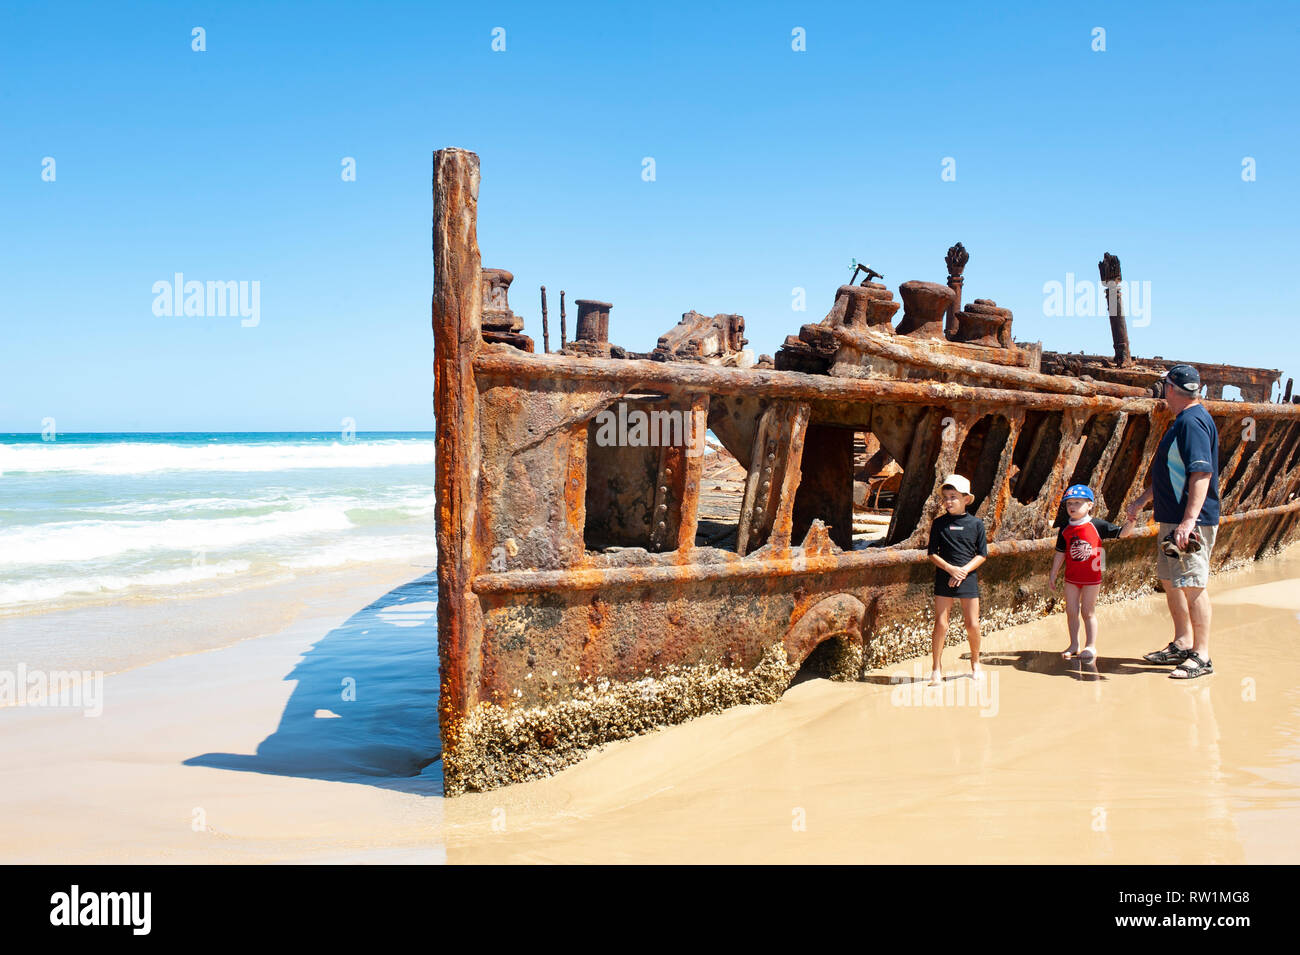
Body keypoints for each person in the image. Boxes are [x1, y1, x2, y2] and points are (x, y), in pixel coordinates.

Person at [1125, 364, 1221, 679]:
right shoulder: (1183, 420)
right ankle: (1183, 643)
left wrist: (1189, 521)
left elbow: (1201, 473)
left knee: (1193, 584)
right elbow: (1170, 473)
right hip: (1172, 520)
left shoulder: (1193, 423)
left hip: (1189, 523)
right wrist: (1142, 500)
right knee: (1171, 581)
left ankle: (1202, 656)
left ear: (1170, 389)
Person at [1050, 484, 1135, 661]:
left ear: (1089, 505)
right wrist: (1053, 573)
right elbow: (1060, 553)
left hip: (1092, 577)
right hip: (1071, 578)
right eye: (1069, 503)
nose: (1072, 507)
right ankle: (1074, 644)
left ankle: (1090, 645)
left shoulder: (1097, 525)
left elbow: (1122, 534)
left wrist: (1131, 521)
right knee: (1071, 611)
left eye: (1078, 503)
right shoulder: (1065, 528)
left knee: (1088, 611)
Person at [926, 474, 987, 685]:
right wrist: (951, 569)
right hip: (945, 576)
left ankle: (975, 663)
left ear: (966, 499)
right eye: (945, 497)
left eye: (953, 497)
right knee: (941, 624)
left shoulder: (976, 524)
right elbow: (932, 553)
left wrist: (962, 571)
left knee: (972, 624)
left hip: (967, 577)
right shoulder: (939, 524)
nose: (948, 501)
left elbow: (982, 554)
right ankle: (936, 668)